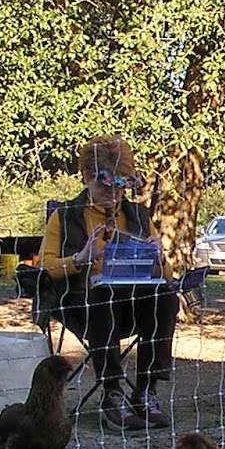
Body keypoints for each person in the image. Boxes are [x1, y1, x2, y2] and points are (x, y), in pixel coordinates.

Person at [38, 136, 178, 431]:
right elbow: (45, 268)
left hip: (133, 305)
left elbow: (165, 276)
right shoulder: (65, 216)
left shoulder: (137, 215)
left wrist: (157, 258)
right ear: (88, 177)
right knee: (103, 295)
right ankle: (113, 393)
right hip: (83, 305)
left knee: (166, 297)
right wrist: (80, 259)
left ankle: (145, 391)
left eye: (121, 186)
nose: (114, 194)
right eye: (106, 186)